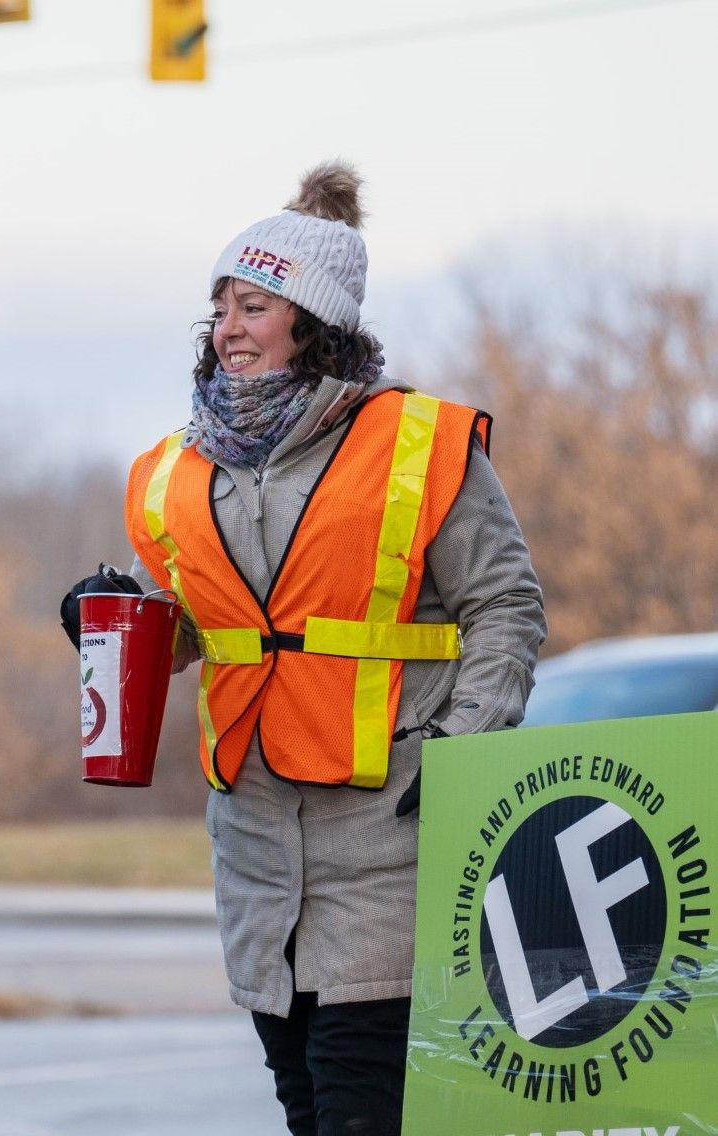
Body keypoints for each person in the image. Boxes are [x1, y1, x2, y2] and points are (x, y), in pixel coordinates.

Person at [61, 161, 546, 1135]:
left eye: (253, 307)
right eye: (219, 309)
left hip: (388, 833)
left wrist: (463, 746)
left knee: (359, 1105)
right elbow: (198, 625)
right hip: (253, 840)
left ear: (315, 324)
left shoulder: (420, 445)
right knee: (307, 1106)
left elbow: (506, 604)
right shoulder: (175, 468)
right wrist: (118, 616)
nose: (228, 329)